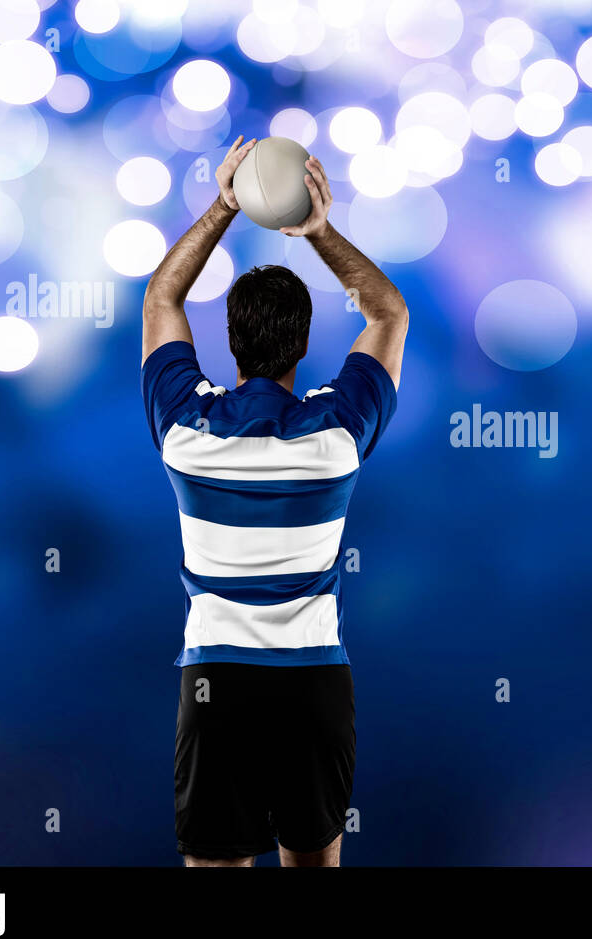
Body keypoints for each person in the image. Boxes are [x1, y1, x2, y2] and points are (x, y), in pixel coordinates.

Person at [139, 136, 407, 866]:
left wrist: (226, 203)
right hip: (314, 682)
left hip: (215, 685)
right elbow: (386, 314)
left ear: (228, 341)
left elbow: (161, 297)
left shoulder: (186, 433)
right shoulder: (336, 436)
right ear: (304, 344)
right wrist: (319, 231)